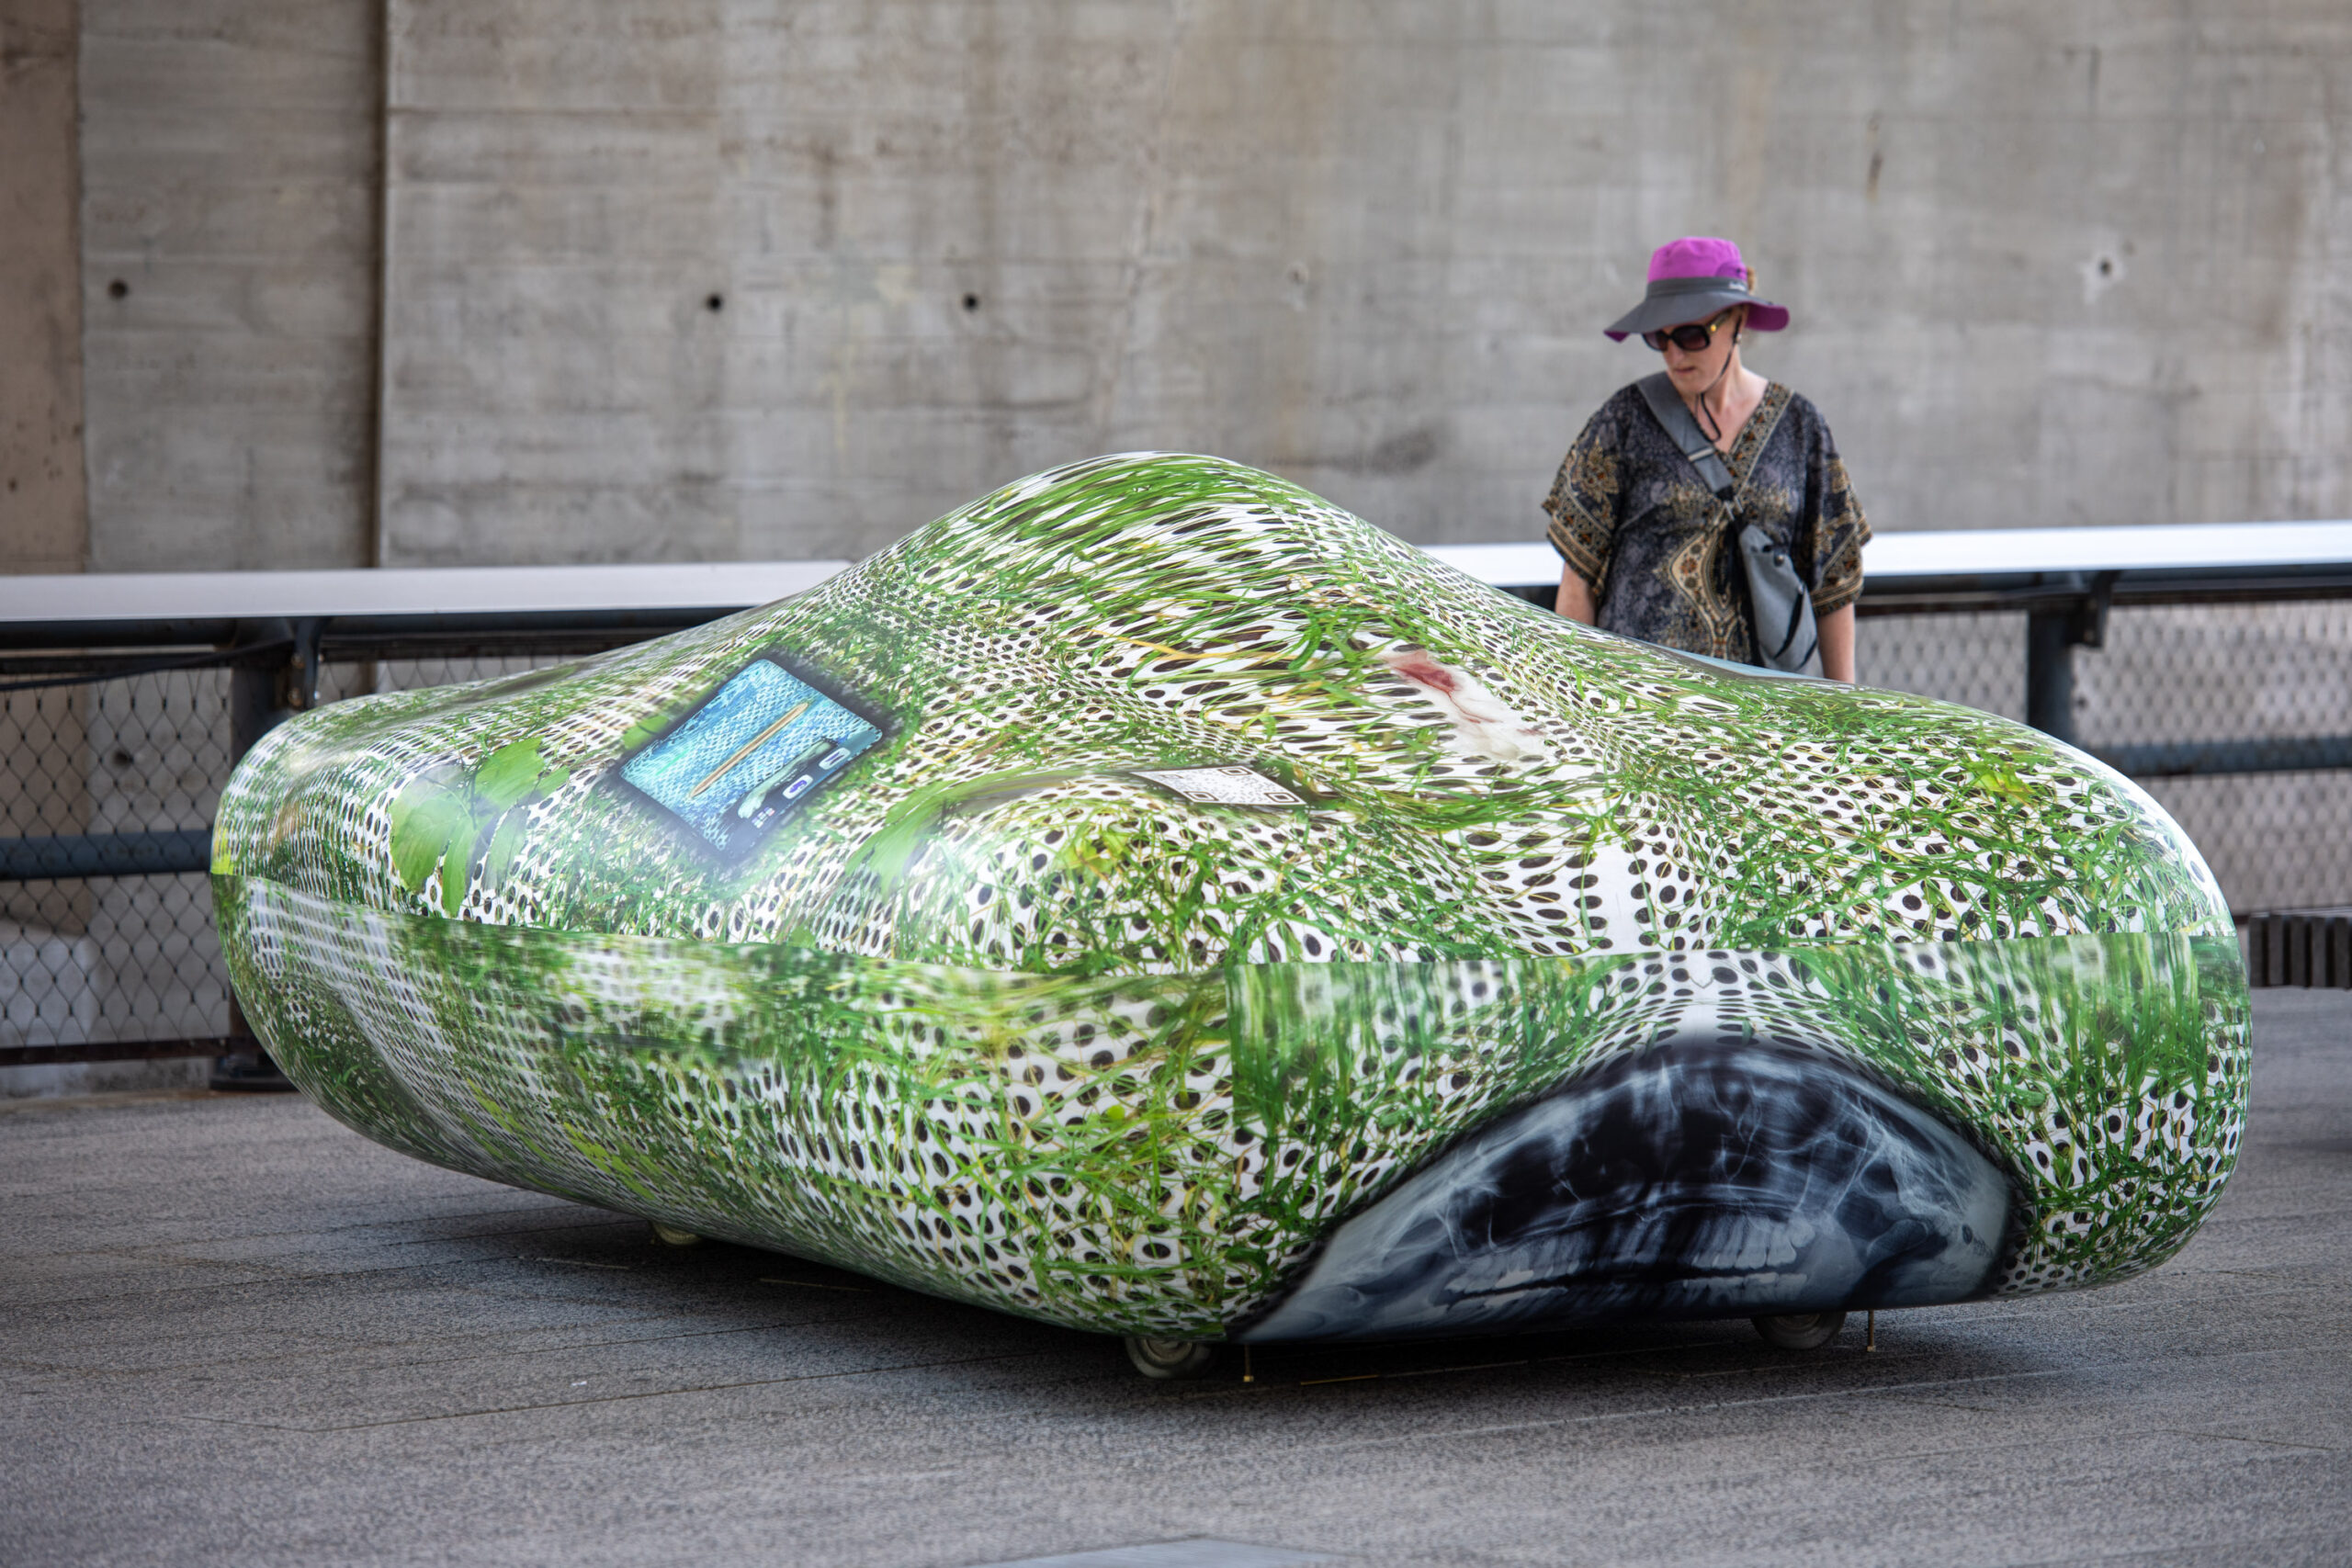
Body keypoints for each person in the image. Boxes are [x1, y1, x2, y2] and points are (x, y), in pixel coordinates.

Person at [1544, 236, 1868, 682]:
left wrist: (1843, 715)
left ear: (1737, 321)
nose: (1674, 354)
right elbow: (1577, 581)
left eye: (1692, 335)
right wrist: (1575, 702)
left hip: (1762, 717)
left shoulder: (1800, 426)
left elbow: (1833, 583)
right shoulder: (1622, 420)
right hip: (1642, 709)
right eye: (1661, 337)